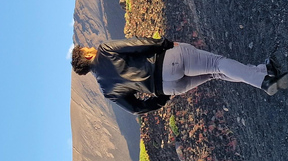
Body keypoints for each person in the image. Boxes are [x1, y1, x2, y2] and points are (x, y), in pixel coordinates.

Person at [71, 38, 288, 114]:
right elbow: (138, 45)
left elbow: (136, 108)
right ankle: (264, 81)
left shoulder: (107, 90)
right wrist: (165, 44)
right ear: (87, 54)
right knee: (217, 63)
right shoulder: (105, 50)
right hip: (168, 62)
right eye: (87, 48)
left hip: (169, 88)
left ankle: (262, 70)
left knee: (215, 74)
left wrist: (162, 97)